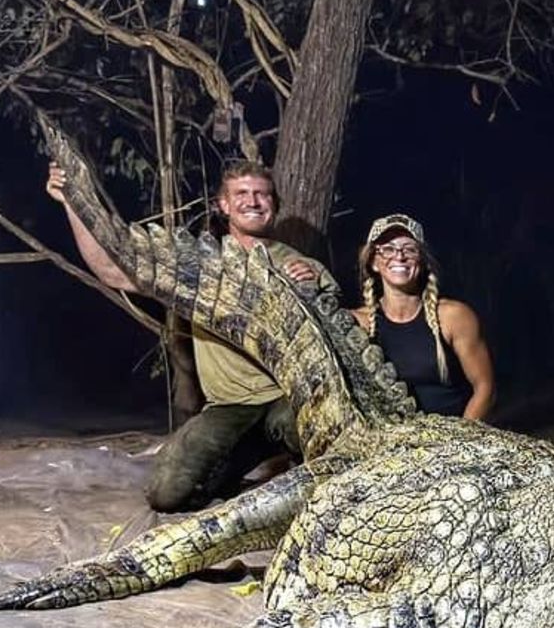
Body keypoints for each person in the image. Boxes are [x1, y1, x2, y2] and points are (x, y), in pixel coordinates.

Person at [46, 157, 341, 511]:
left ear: (273, 205)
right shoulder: (201, 266)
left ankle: (311, 488)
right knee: (166, 494)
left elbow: (344, 332)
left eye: (262, 194)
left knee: (312, 430)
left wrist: (312, 292)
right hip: (229, 407)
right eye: (242, 194)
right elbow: (111, 270)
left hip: (286, 399)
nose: (253, 201)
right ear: (224, 205)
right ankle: (247, 467)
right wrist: (71, 204)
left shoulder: (301, 266)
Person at [352, 213, 495, 420]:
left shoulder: (453, 317)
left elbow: (485, 388)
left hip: (457, 437)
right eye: (388, 249)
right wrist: (308, 269)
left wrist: (458, 443)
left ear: (423, 260)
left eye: (409, 249)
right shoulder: (358, 323)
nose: (399, 256)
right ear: (374, 261)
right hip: (393, 445)